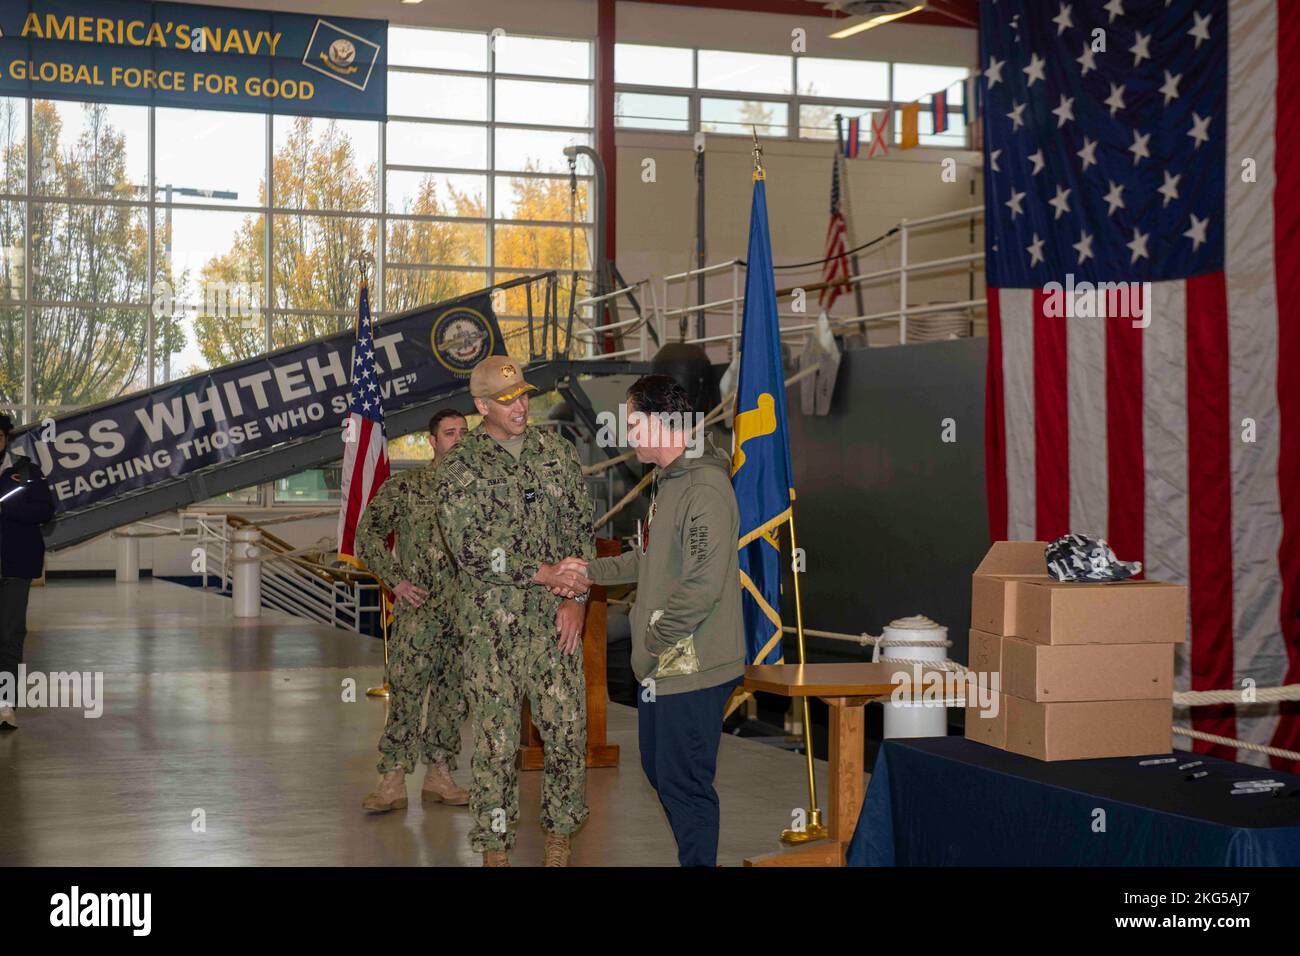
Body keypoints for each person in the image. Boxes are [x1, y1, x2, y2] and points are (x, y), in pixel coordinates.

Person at [556, 375, 744, 866]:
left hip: (692, 663)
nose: (629, 433)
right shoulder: (671, 482)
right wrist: (588, 572)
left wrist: (656, 637)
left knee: (685, 783)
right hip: (662, 664)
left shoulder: (704, 487)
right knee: (661, 771)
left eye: (635, 422)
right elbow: (650, 557)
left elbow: (702, 584)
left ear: (664, 421)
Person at [433, 355, 594, 867]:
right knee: (497, 744)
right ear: (482, 406)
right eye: (506, 400)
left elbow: (579, 531)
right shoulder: (460, 465)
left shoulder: (557, 453)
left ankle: (559, 839)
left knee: (567, 731)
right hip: (491, 628)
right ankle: (495, 849)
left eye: (523, 395)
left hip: (554, 624)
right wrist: (542, 573)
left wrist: (575, 599)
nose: (520, 406)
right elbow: (469, 546)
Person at [355, 409, 471, 811]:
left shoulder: (478, 491)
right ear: (432, 442)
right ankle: (391, 781)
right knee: (405, 694)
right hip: (417, 613)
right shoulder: (406, 488)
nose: (458, 438)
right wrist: (395, 580)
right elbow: (366, 535)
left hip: (462, 614)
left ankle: (440, 775)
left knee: (453, 698)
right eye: (450, 433)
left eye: (463, 432)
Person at [0, 415, 56, 731]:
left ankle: (5, 705)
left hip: (14, 568)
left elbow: (46, 511)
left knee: (10, 634)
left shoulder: (25, 472)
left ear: (6, 438)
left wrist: (7, 510)